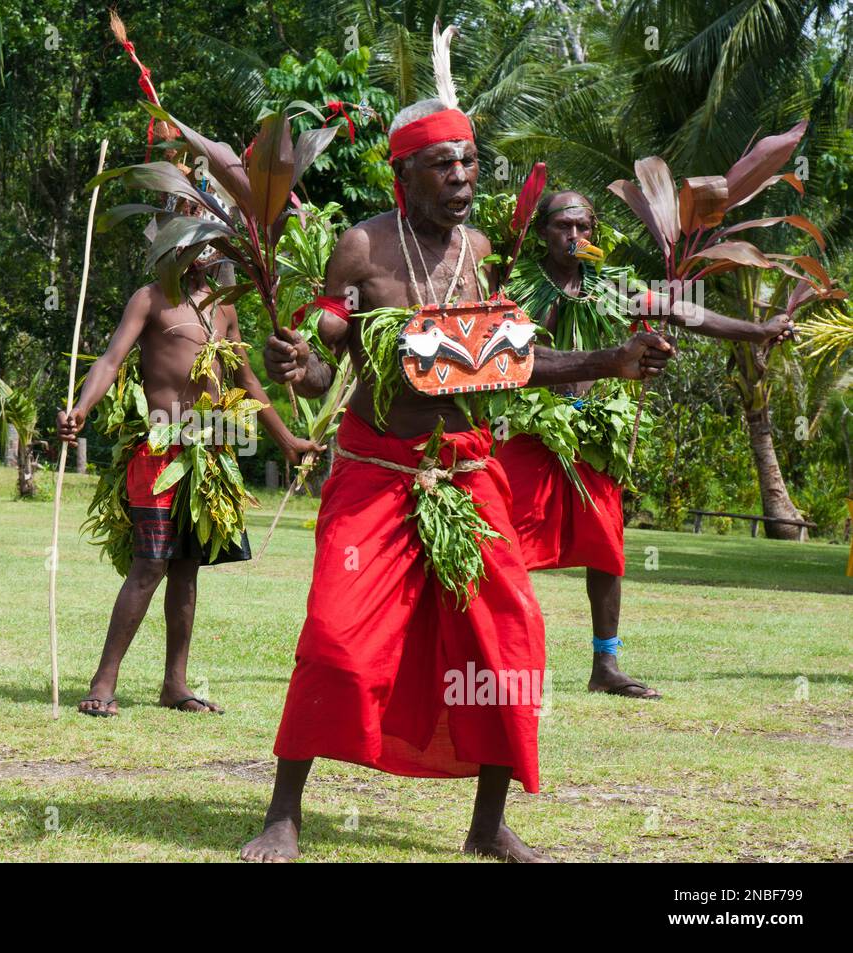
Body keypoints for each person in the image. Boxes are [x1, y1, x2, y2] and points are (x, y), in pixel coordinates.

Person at [239, 22, 675, 863]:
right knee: (335, 633)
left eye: (471, 164)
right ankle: (284, 813)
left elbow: (506, 364)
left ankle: (486, 826)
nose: (464, 179)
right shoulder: (362, 248)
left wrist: (612, 359)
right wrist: (298, 362)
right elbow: (330, 358)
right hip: (375, 473)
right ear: (405, 174)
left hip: (468, 474)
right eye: (446, 165)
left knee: (509, 639)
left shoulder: (479, 255)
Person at [497, 190, 795, 699]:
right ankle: (495, 658)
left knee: (606, 548)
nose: (574, 237)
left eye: (583, 227)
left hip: (594, 433)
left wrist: (756, 331)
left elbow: (681, 312)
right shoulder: (517, 287)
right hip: (528, 430)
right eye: (563, 227)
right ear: (542, 232)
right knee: (507, 544)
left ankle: (605, 664)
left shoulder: (612, 289)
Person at [57, 199, 319, 718]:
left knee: (187, 567)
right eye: (187, 241)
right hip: (160, 447)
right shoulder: (152, 299)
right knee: (150, 563)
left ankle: (174, 684)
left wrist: (287, 440)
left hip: (212, 449)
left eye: (207, 242)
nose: (199, 251)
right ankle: (103, 682)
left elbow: (245, 381)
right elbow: (111, 359)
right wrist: (81, 408)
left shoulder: (224, 309)